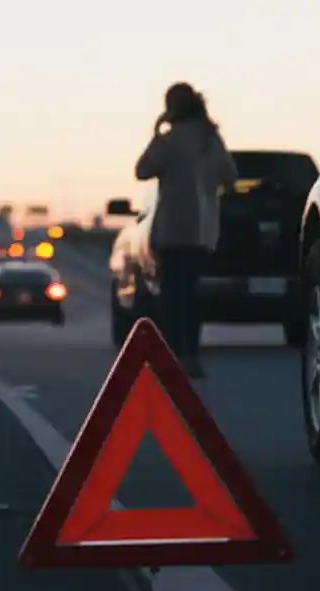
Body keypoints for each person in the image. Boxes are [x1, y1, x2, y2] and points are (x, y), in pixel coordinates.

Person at [135, 82, 238, 379]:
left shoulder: (169, 141)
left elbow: (142, 170)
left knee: (171, 296)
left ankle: (170, 354)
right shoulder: (210, 139)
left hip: (171, 229)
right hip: (201, 231)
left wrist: (156, 132)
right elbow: (230, 176)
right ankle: (191, 355)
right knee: (191, 294)